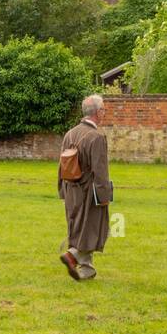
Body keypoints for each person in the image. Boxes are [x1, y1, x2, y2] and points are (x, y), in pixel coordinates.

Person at [58, 95, 112, 281]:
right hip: (89, 191)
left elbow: (61, 165)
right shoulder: (97, 137)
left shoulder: (69, 134)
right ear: (98, 113)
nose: (104, 112)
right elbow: (100, 171)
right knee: (95, 228)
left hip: (70, 189)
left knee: (78, 227)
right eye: (103, 109)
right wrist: (104, 195)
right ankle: (73, 255)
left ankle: (87, 269)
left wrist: (61, 190)